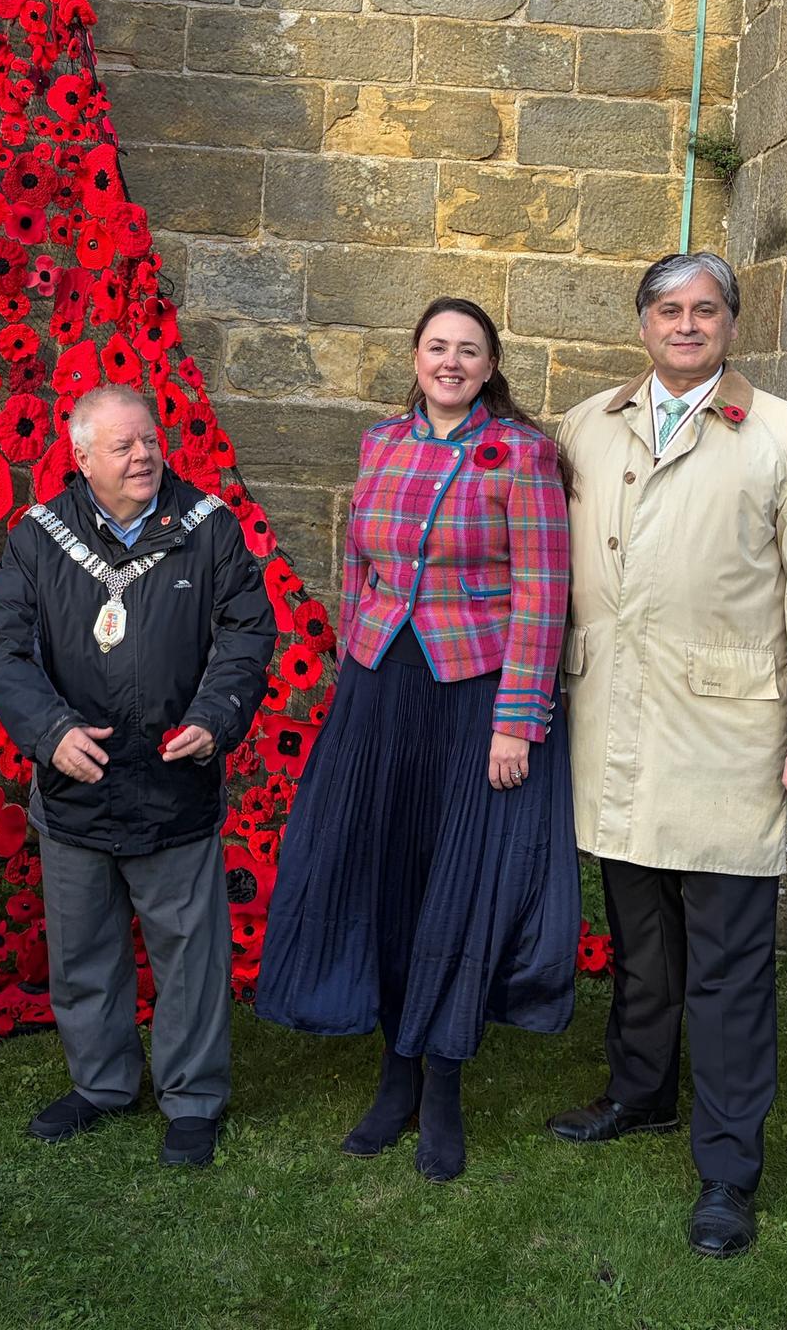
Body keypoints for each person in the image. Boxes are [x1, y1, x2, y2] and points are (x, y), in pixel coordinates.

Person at [548, 252, 787, 1258]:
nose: (686, 324)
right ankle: (641, 1090)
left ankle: (726, 1166)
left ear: (730, 323)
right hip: (614, 723)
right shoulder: (586, 425)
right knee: (641, 940)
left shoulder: (780, 433)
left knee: (724, 965)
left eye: (704, 309)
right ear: (641, 322)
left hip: (726, 732)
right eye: (668, 309)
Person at [256, 297, 578, 1183]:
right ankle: (392, 1078)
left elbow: (543, 598)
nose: (449, 362)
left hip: (470, 696)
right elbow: (357, 562)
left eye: (467, 351)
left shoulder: (522, 455)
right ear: (413, 356)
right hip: (379, 688)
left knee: (452, 887)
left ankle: (441, 1086)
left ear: (488, 365)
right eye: (436, 347)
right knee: (382, 875)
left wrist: (516, 723)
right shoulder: (379, 445)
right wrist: (359, 647)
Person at [0, 383, 275, 1166]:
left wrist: (214, 717)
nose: (143, 456)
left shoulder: (207, 531)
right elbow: (2, 649)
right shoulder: (38, 539)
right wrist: (50, 731)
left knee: (189, 955)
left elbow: (247, 632)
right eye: (123, 446)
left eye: (149, 440)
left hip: (173, 782)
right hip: (75, 786)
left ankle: (193, 1099)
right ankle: (102, 1084)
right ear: (81, 457)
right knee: (83, 954)